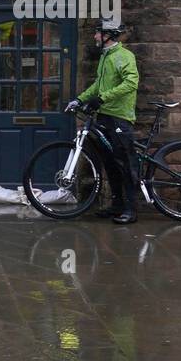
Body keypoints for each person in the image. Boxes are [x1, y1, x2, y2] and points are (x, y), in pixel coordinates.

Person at [64, 21, 140, 224]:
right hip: (105, 115)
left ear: (108, 35)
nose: (95, 37)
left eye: (98, 33)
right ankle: (117, 205)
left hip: (120, 117)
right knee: (110, 162)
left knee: (125, 163)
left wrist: (103, 98)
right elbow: (98, 85)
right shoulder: (105, 57)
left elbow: (131, 83)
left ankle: (131, 209)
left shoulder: (124, 56)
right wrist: (80, 99)